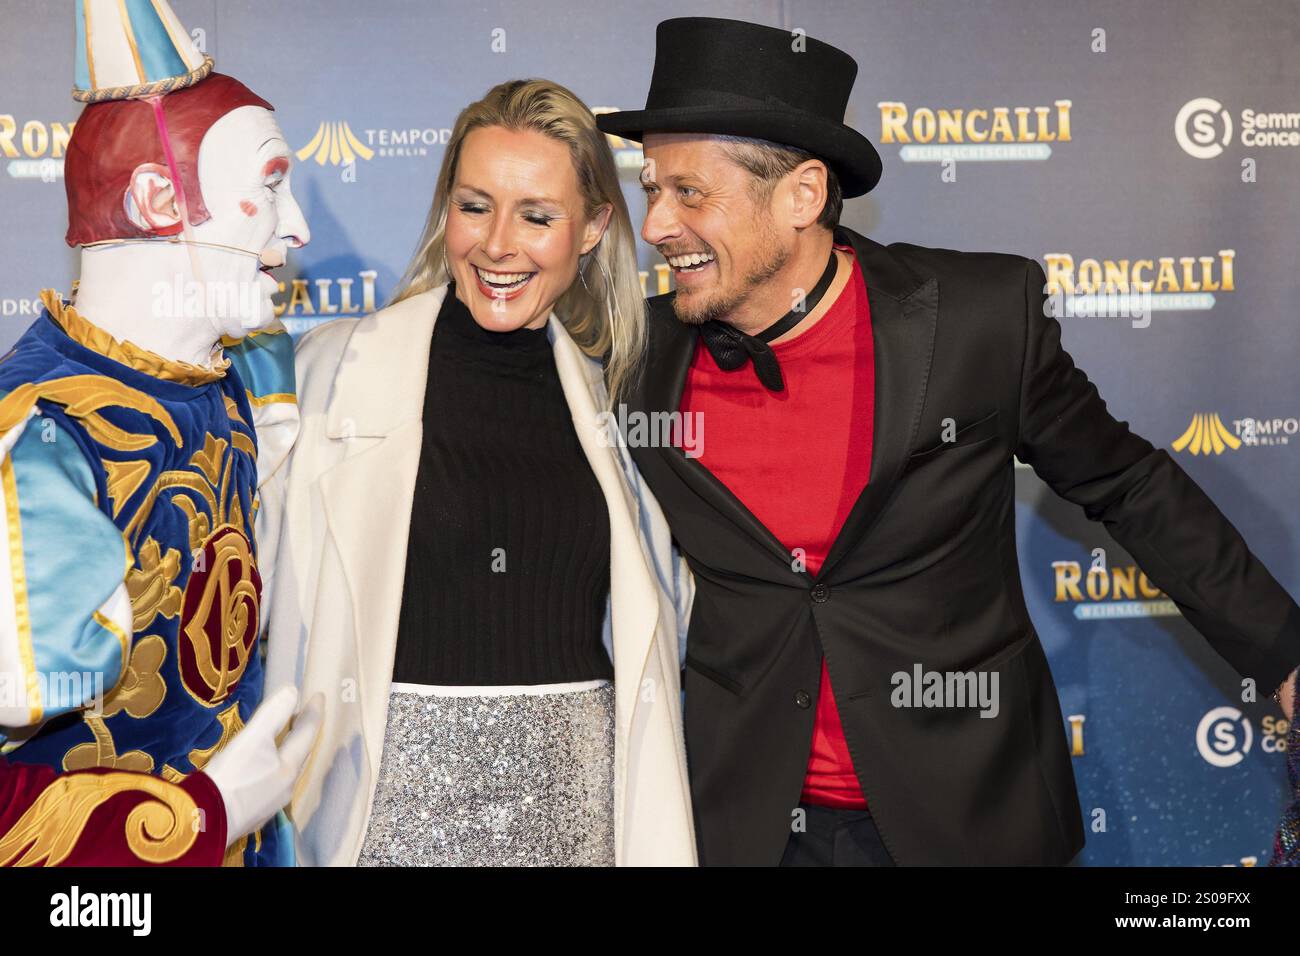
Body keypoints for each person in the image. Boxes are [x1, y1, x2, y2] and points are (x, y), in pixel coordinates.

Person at [595, 16, 1300, 866]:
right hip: (748, 822)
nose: (657, 225)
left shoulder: (975, 321)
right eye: (651, 189)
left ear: (803, 195)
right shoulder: (638, 357)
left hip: (969, 814)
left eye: (690, 193)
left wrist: (1283, 651)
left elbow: (1129, 485)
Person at [264, 78, 696, 866]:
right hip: (379, 821)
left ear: (593, 227)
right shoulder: (331, 375)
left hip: (577, 820)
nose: (498, 244)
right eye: (474, 206)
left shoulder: (624, 394)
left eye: (537, 217)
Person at [0, 0, 319, 866]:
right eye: (272, 186)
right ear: (154, 197)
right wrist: (202, 815)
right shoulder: (36, 446)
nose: (297, 232)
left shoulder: (241, 376)